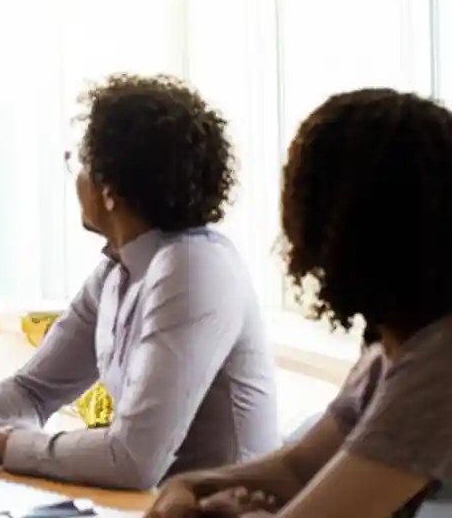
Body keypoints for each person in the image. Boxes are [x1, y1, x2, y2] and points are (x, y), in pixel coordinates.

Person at [0, 74, 278, 491]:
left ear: (109, 189)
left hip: (224, 508)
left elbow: (133, 461)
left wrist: (0, 444)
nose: (76, 178)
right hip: (156, 505)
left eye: (80, 163)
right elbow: (33, 392)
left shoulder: (193, 268)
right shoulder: (117, 271)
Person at [146, 88, 452, 518]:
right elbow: (297, 469)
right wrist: (187, 488)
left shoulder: (438, 362)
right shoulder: (390, 353)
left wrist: (216, 508)